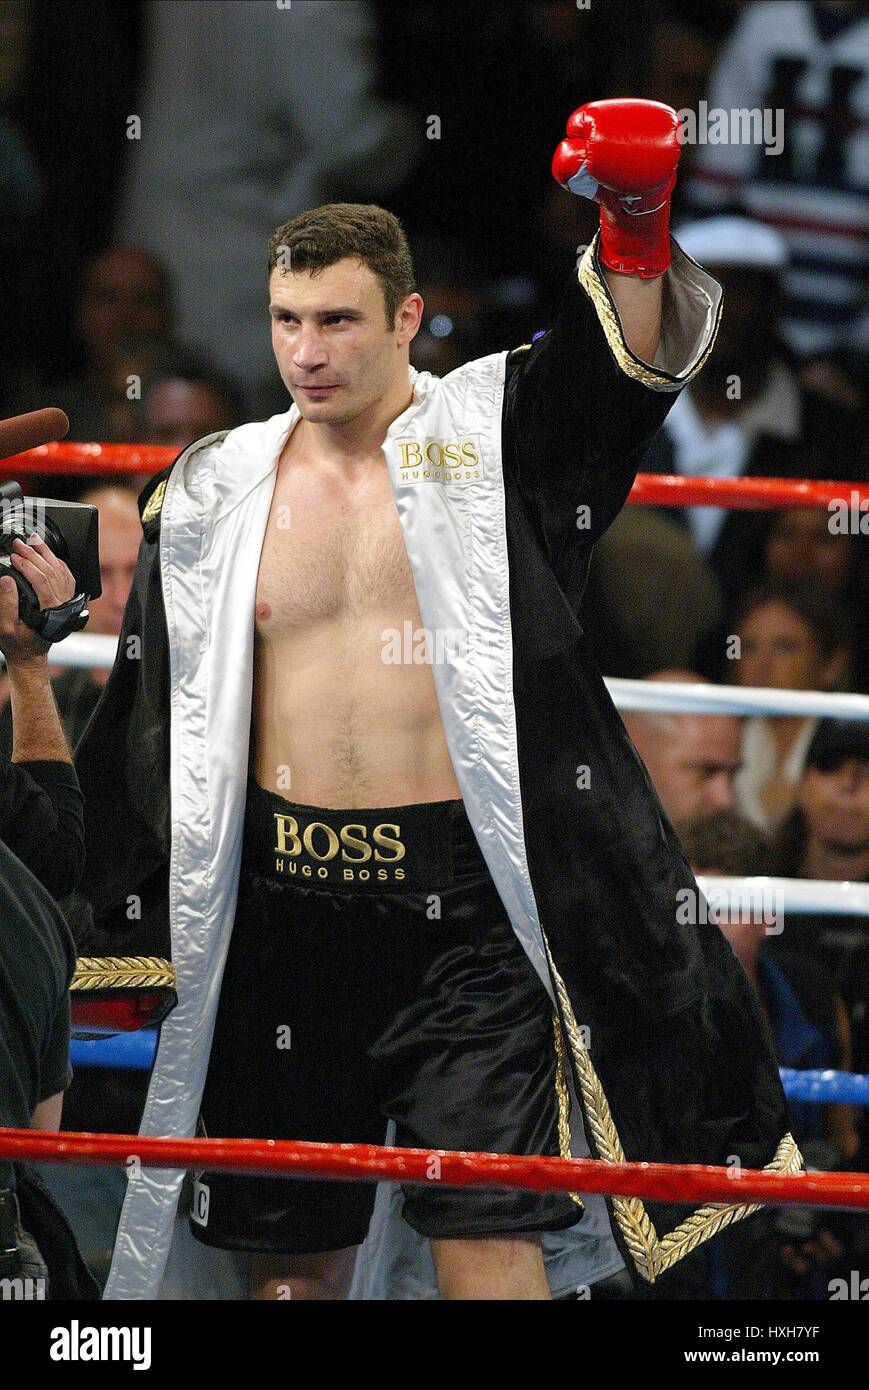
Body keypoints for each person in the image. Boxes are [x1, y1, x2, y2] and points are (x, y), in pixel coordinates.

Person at [75, 100, 798, 1302]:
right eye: (287, 321)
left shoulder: (491, 440)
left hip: (458, 922)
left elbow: (608, 378)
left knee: (490, 1244)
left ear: (407, 320)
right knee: (290, 1271)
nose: (309, 351)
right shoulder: (211, 493)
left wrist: (631, 222)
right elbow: (153, 728)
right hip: (280, 913)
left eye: (340, 322)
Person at [730, 581, 851, 832]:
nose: (762, 664)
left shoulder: (853, 749)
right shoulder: (720, 742)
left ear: (831, 664)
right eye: (749, 647)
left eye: (785, 646)